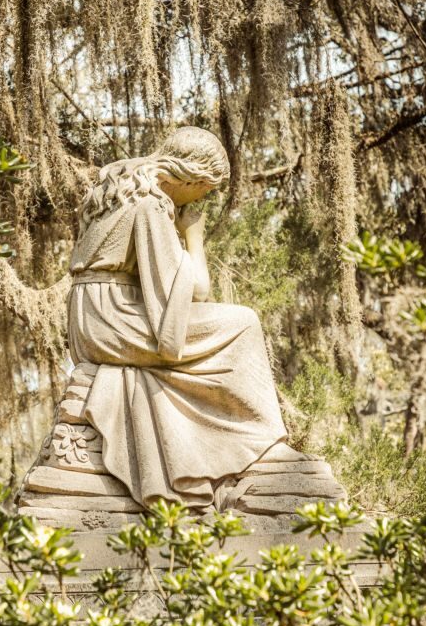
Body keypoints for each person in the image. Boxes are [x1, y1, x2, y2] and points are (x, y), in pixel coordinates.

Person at [68, 126, 288, 510]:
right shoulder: (151, 202)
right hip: (113, 316)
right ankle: (260, 443)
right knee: (243, 323)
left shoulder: (118, 186)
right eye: (206, 188)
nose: (203, 198)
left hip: (91, 314)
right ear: (190, 177)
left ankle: (221, 442)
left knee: (223, 325)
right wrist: (193, 235)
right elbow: (194, 289)